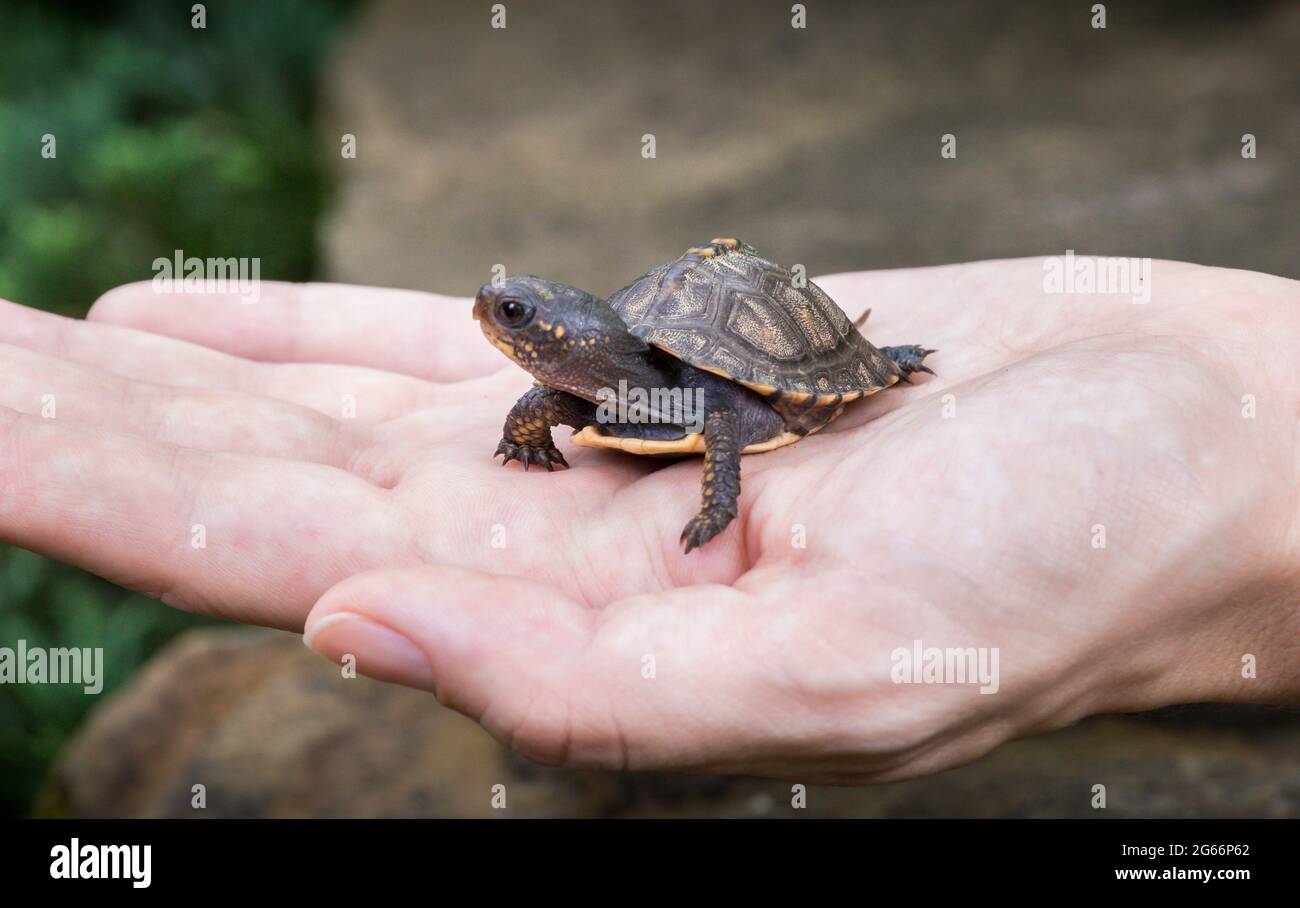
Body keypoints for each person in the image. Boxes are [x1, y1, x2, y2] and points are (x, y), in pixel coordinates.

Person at [1, 257, 1296, 783]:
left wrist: (725, 495)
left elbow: (726, 415)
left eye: (521, 323)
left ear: (570, 338)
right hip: (655, 357)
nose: (504, 325)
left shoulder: (678, 390)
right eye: (511, 321)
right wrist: (528, 433)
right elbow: (552, 406)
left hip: (746, 360)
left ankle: (873, 351)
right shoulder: (574, 381)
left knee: (803, 384)